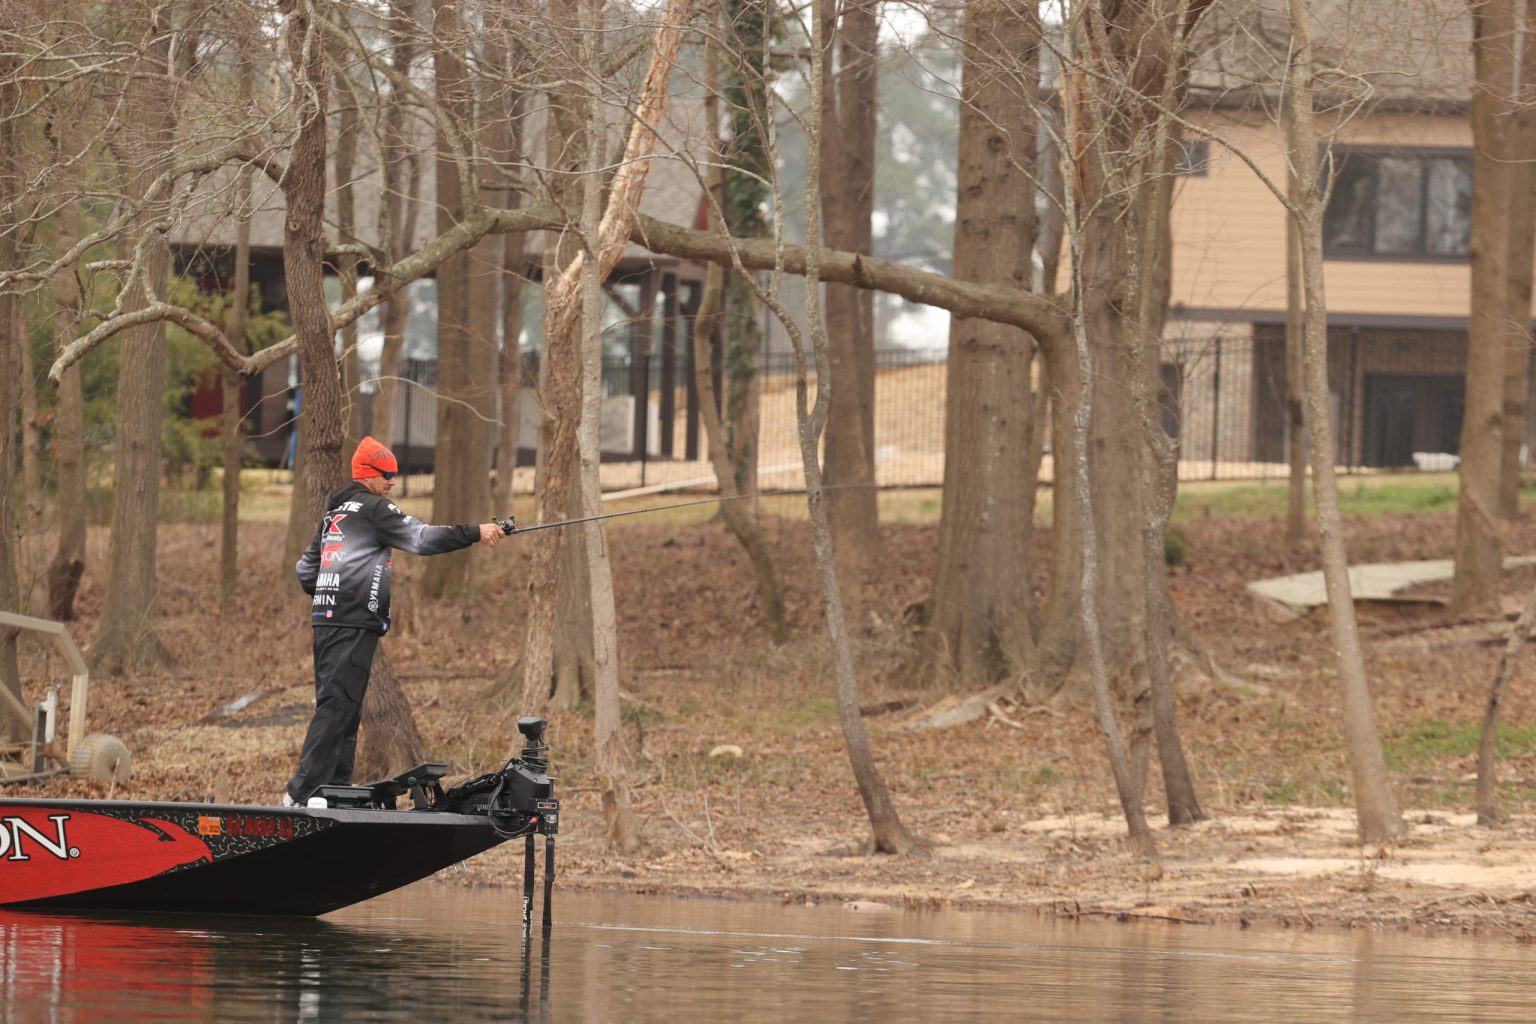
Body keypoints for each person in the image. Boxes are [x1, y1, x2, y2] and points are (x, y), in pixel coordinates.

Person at [284, 436, 505, 807]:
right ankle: (300, 793)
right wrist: (475, 532)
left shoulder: (335, 514)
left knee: (345, 707)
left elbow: (305, 569)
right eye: (386, 474)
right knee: (337, 706)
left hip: (326, 621)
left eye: (394, 474)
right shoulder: (375, 509)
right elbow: (421, 539)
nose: (392, 481)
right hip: (353, 622)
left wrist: (328, 593)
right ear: (367, 473)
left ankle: (334, 791)